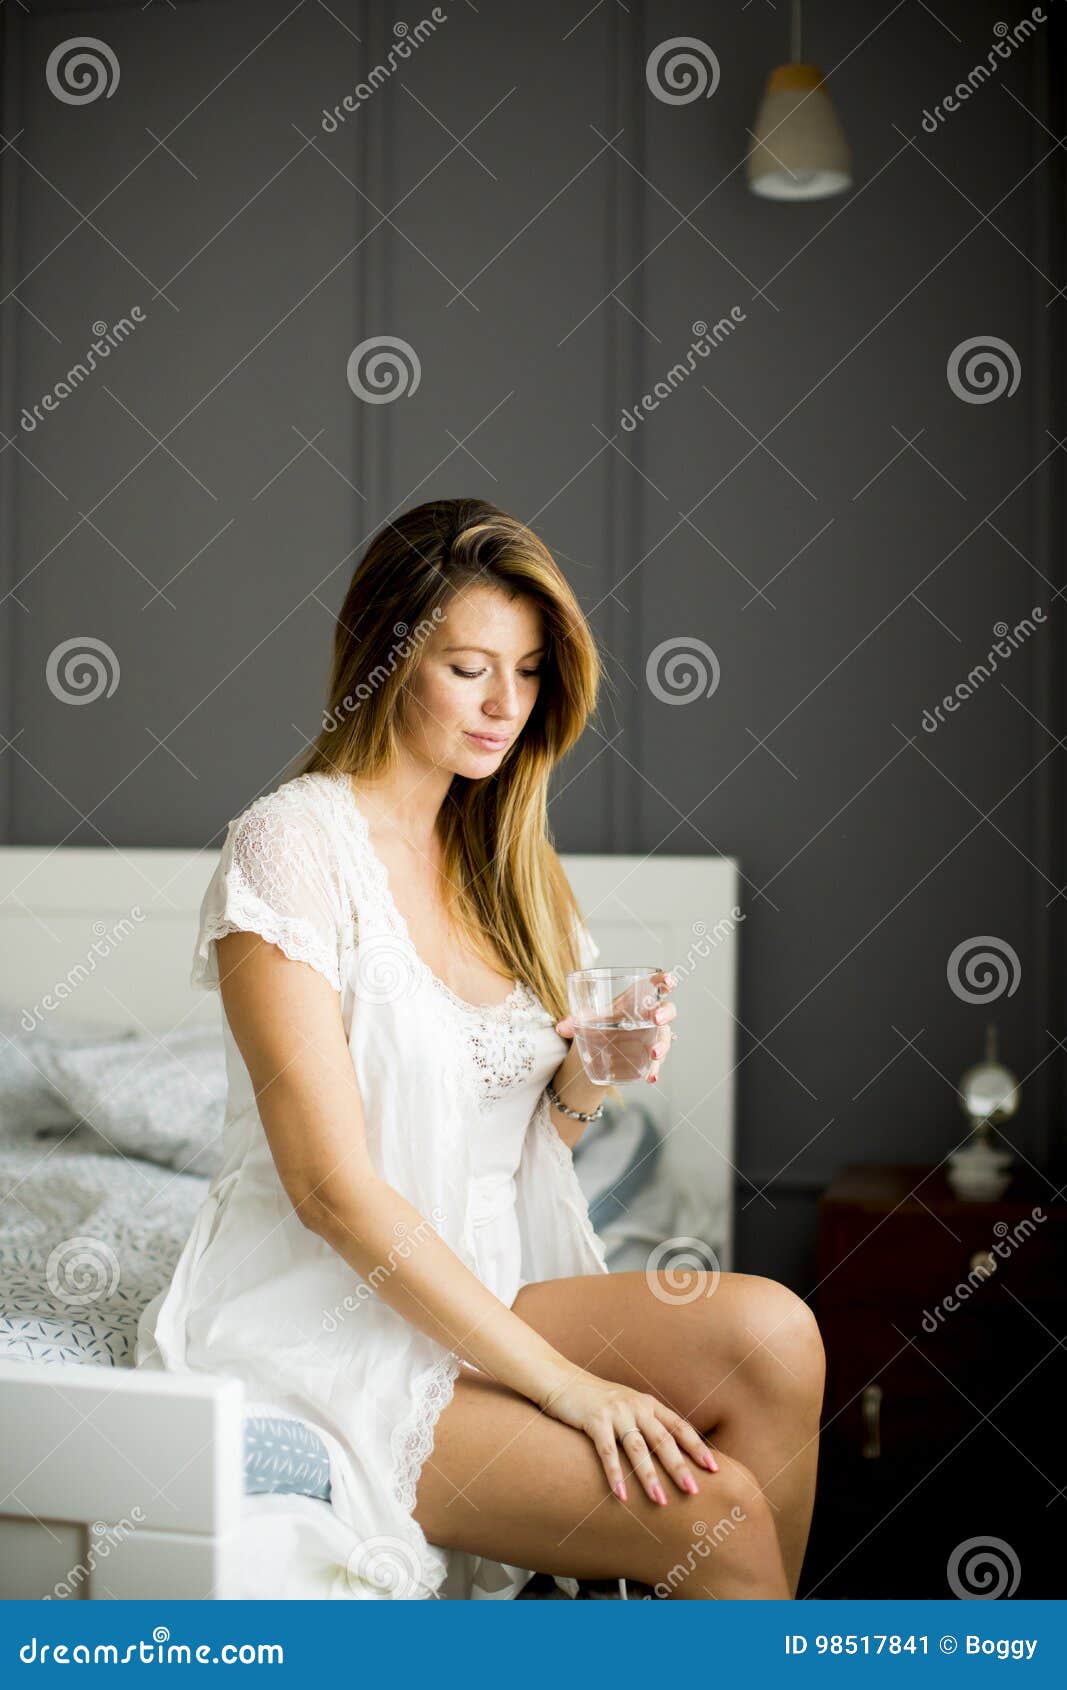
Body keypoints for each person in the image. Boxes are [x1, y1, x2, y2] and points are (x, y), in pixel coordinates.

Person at [137, 498, 824, 1600]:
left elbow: (529, 1135)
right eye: (467, 668)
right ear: (382, 659)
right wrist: (568, 1389)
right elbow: (328, 1191)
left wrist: (586, 1078)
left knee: (776, 1334)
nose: (506, 705)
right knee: (719, 1516)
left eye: (530, 670)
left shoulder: (509, 856)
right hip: (331, 1317)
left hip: (490, 1285)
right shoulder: (291, 844)